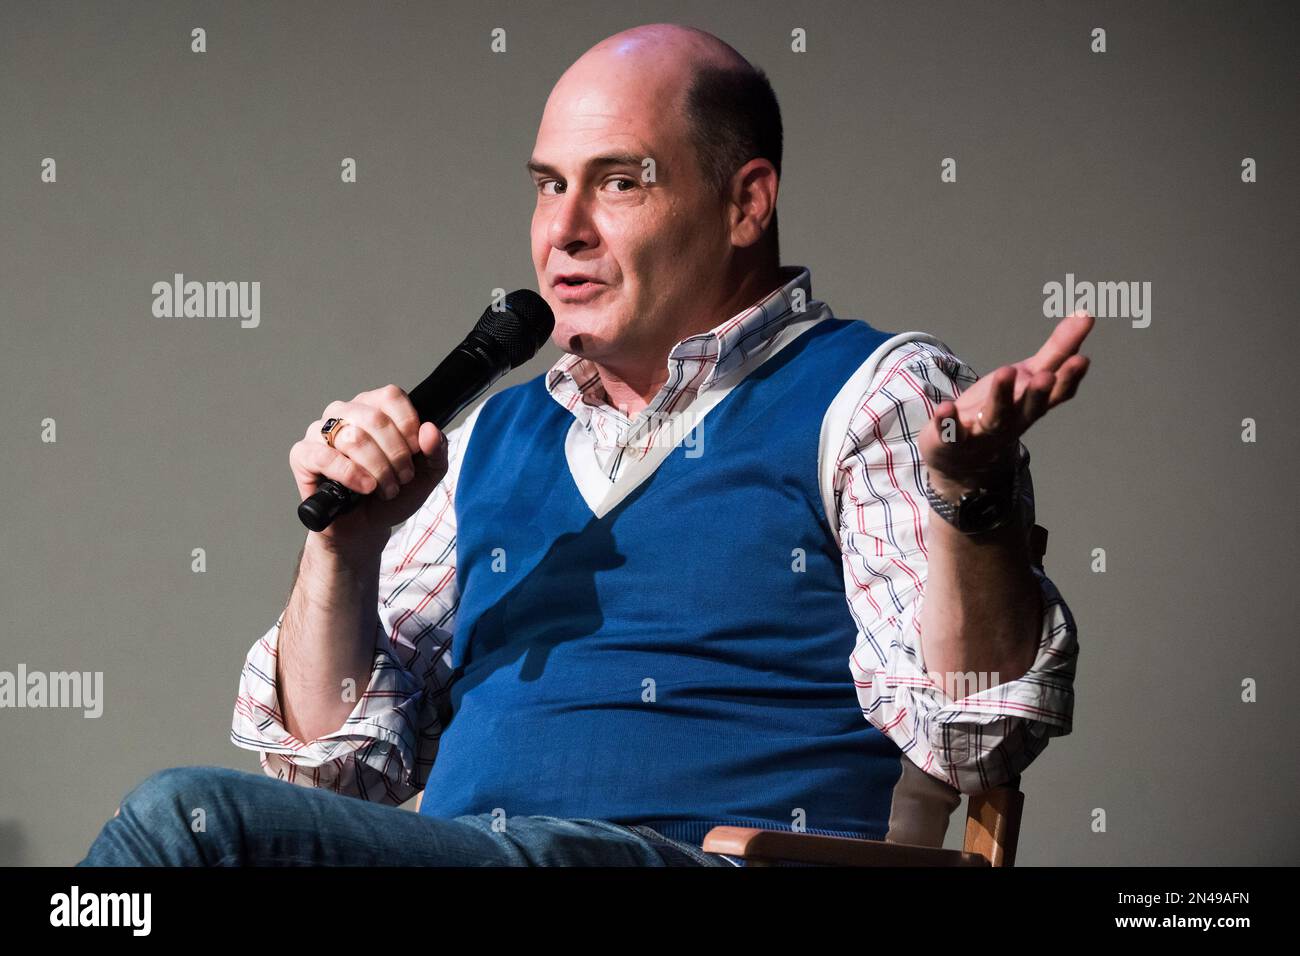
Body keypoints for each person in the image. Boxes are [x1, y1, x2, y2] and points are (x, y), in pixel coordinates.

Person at [79, 22, 1088, 867]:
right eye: (546, 185)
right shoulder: (488, 438)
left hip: (711, 862)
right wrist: (341, 548)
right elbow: (330, 773)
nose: (561, 230)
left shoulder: (873, 393)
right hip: (488, 854)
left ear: (745, 203)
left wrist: (974, 499)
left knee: (187, 826)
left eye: (616, 183)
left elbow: (975, 736)